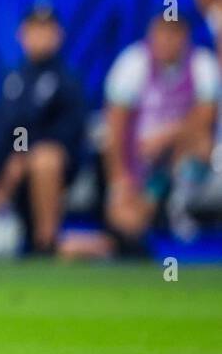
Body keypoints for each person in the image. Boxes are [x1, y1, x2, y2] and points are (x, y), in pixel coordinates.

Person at [71, 15, 217, 258]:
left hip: (175, 163)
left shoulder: (202, 64)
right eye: (161, 33)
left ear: (185, 37)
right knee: (125, 224)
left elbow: (205, 121)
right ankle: (110, 240)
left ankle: (173, 213)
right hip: (134, 160)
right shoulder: (132, 63)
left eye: (173, 34)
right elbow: (114, 128)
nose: (166, 41)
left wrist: (167, 134)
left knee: (200, 145)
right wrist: (120, 180)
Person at [0, 0, 86, 255]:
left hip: (51, 170)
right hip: (9, 171)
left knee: (45, 159)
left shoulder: (67, 80)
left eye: (46, 29)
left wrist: (24, 154)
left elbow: (68, 132)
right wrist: (6, 166)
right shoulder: (11, 78)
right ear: (21, 35)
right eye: (34, 29)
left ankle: (46, 241)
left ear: (59, 35)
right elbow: (2, 126)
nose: (40, 36)